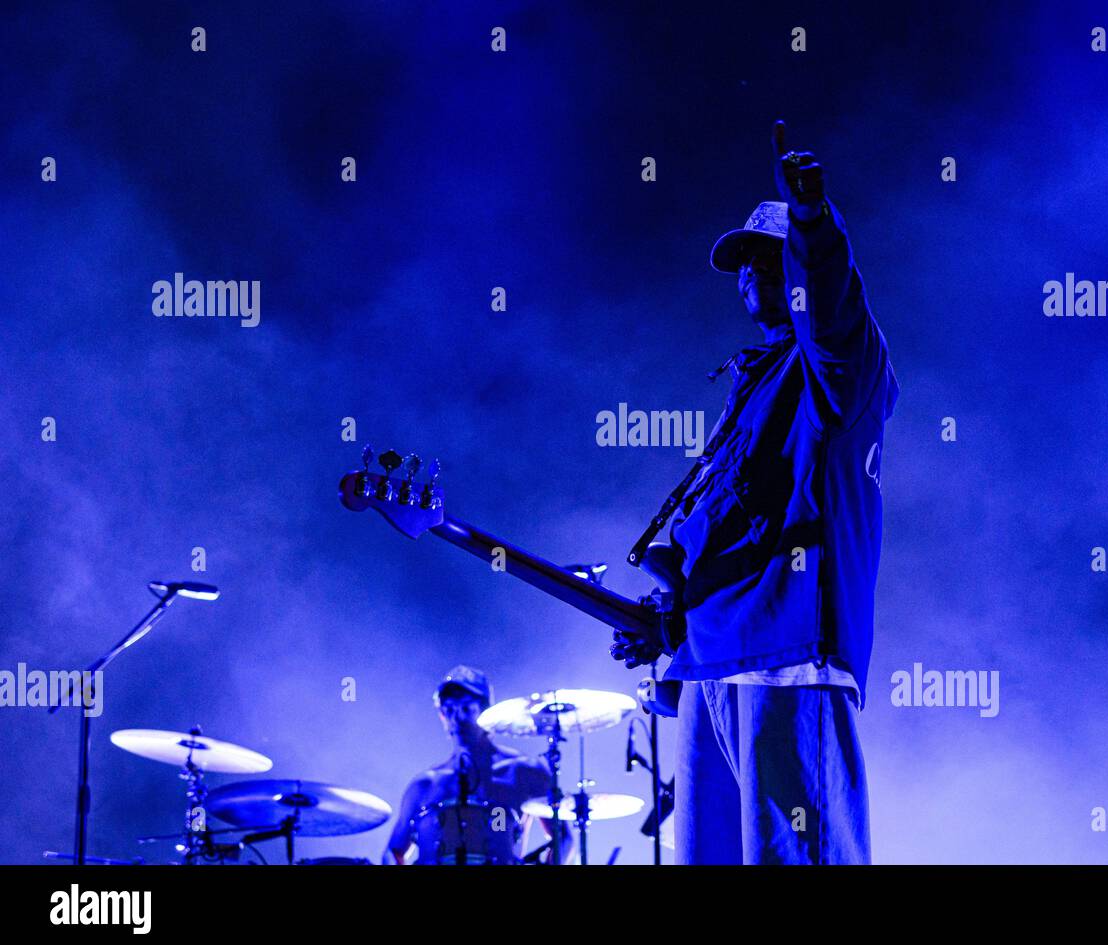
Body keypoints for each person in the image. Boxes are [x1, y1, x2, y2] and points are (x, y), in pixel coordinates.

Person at [613, 120, 900, 864]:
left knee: (797, 856)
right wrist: (670, 612)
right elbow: (733, 529)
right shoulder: (753, 386)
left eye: (769, 261)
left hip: (786, 647)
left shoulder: (834, 371)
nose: (751, 275)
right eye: (743, 264)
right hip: (710, 655)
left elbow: (833, 315)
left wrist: (811, 222)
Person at [384, 666, 570, 864]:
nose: (457, 718)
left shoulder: (524, 771)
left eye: (466, 708)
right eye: (449, 709)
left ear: (485, 710)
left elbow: (563, 838)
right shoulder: (424, 785)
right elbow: (393, 851)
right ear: (441, 715)